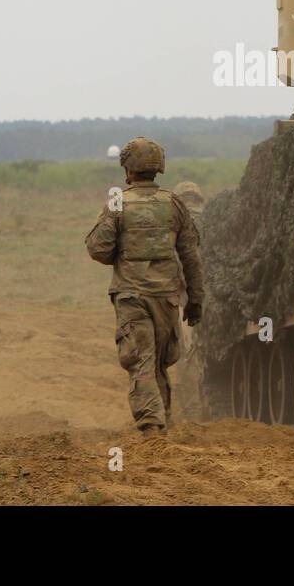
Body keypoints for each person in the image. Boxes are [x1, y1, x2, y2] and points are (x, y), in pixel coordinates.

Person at [85, 138, 204, 434]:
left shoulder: (118, 203)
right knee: (159, 364)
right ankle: (162, 419)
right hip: (167, 298)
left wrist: (123, 256)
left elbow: (98, 248)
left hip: (132, 296)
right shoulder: (174, 204)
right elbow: (191, 257)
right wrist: (195, 300)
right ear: (158, 168)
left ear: (128, 169)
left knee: (142, 361)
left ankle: (152, 426)